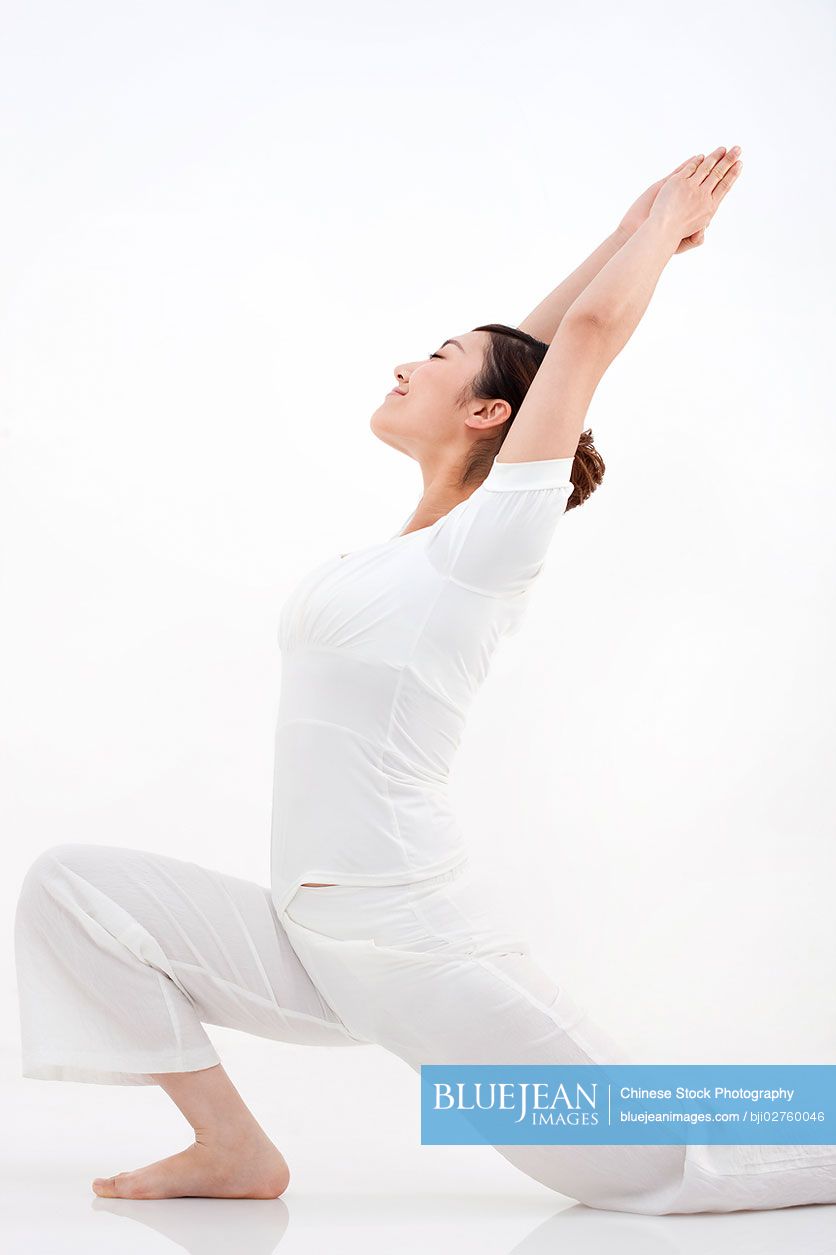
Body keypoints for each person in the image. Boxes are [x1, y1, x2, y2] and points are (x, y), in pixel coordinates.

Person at [20, 144, 833, 1214]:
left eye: (439, 356)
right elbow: (534, 350)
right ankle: (233, 1150)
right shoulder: (407, 549)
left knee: (657, 1170)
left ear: (488, 415)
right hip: (309, 930)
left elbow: (574, 343)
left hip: (411, 944)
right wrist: (634, 227)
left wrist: (656, 240)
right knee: (72, 889)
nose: (406, 362)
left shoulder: (486, 546)